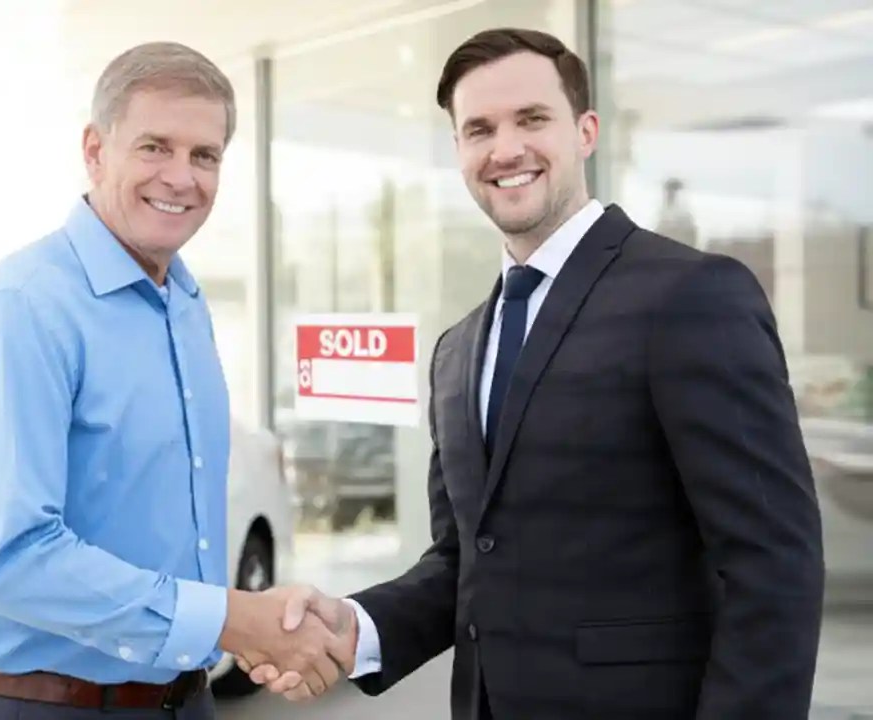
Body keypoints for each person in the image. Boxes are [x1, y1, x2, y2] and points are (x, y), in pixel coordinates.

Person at [246, 27, 825, 720]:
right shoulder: (457, 351)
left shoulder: (692, 296)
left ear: (586, 131)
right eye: (478, 129)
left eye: (532, 119)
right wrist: (354, 628)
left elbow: (773, 566)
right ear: (459, 151)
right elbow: (465, 563)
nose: (506, 149)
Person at [0, 42, 352, 720]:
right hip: (46, 707)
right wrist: (229, 618)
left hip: (183, 700)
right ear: (96, 151)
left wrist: (250, 626)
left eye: (205, 155)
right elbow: (12, 560)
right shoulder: (22, 307)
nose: (181, 177)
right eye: (155, 146)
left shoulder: (183, 305)